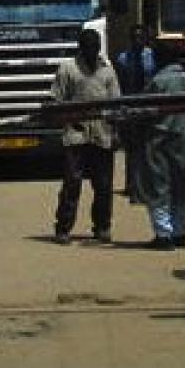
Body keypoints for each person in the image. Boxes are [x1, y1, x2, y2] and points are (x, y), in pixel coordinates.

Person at [52, 30, 121, 244]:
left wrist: (117, 132)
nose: (94, 50)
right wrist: (68, 119)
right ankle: (63, 227)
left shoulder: (108, 71)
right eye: (89, 46)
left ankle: (102, 226)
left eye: (96, 45)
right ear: (80, 47)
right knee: (72, 183)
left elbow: (116, 103)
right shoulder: (67, 69)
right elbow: (56, 100)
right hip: (76, 135)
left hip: (102, 134)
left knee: (103, 185)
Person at [138, 41, 185, 250]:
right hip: (184, 138)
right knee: (183, 187)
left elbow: (145, 109)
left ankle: (163, 235)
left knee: (158, 189)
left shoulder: (158, 81)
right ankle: (181, 233)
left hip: (159, 140)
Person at [114, 25, 156, 200]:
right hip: (130, 106)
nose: (137, 40)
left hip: (148, 106)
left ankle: (148, 186)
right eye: (134, 37)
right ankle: (131, 186)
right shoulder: (123, 58)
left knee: (148, 148)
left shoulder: (152, 57)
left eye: (140, 37)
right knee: (131, 149)